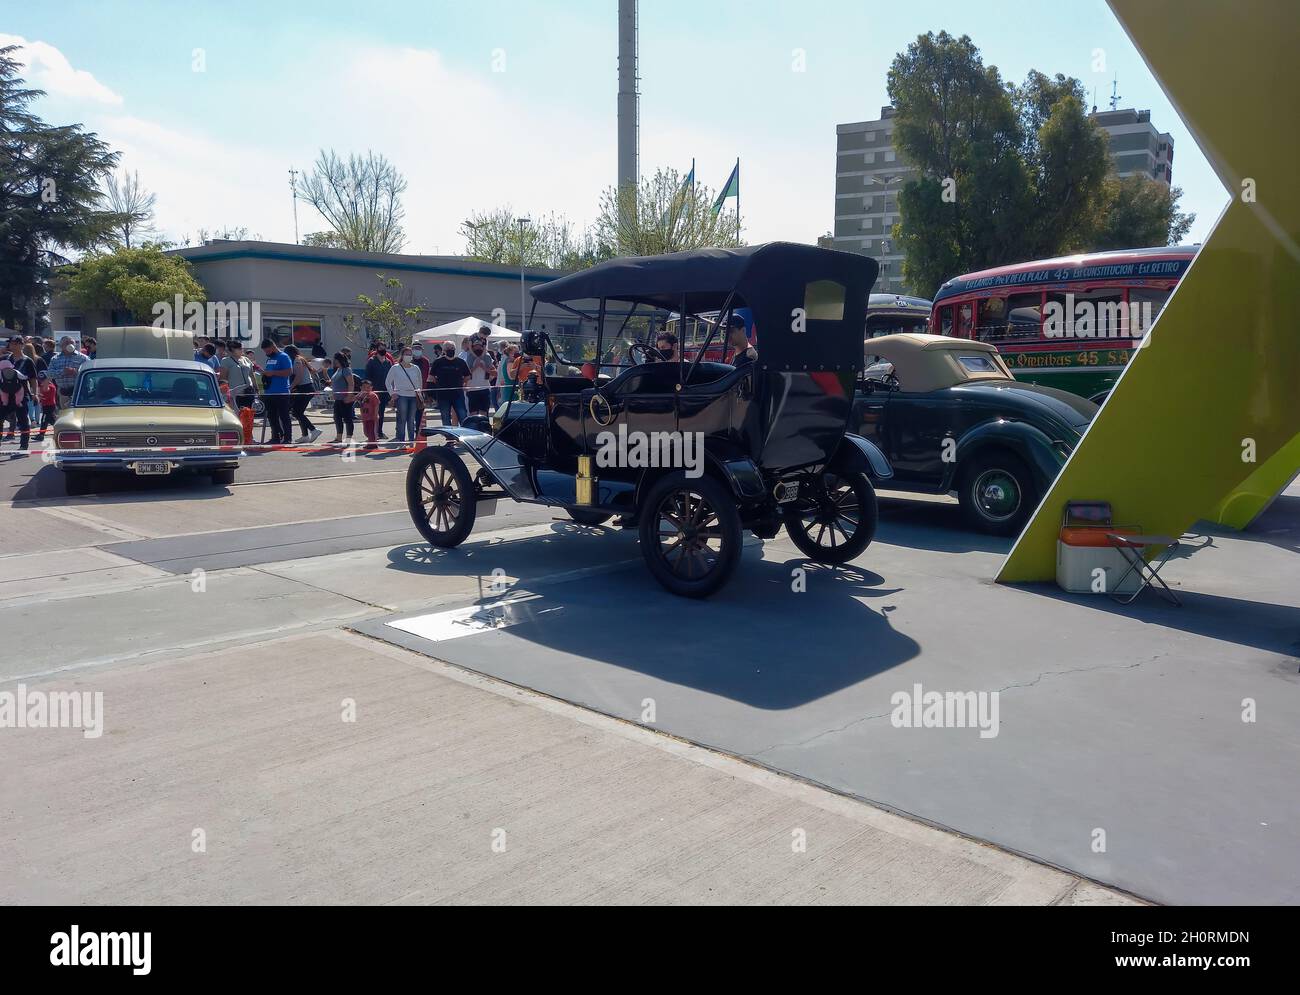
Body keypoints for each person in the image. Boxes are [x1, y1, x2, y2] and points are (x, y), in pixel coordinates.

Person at [258, 338, 294, 444]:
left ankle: (287, 438)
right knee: (272, 416)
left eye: (268, 351)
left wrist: (273, 373)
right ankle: (275, 436)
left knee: (284, 416)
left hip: (281, 391)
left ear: (273, 347)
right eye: (265, 352)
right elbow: (269, 372)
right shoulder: (270, 359)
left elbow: (289, 372)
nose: (267, 353)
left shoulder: (283, 357)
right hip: (269, 392)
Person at [385, 348, 425, 443]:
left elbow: (420, 382)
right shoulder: (395, 368)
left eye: (410, 354)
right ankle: (401, 439)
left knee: (411, 419)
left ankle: (411, 440)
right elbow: (387, 382)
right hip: (401, 395)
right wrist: (392, 393)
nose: (408, 356)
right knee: (402, 418)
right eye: (406, 354)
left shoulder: (416, 368)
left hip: (413, 396)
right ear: (402, 356)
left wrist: (419, 393)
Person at [1, 336, 33, 452]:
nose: (11, 346)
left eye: (14, 343)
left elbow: (33, 379)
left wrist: (35, 394)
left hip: (21, 396)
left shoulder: (27, 361)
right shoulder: (5, 359)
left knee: (23, 421)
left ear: (21, 345)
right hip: (5, 395)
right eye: (10, 344)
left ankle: (24, 446)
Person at [284, 346, 321, 444]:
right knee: (299, 412)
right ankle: (305, 435)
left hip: (305, 388)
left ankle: (313, 430)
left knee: (297, 412)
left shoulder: (297, 360)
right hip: (305, 387)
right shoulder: (300, 359)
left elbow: (298, 377)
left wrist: (290, 388)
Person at [429, 341, 469, 427]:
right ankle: (449, 438)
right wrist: (438, 384)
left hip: (458, 394)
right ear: (444, 350)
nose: (450, 350)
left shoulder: (460, 362)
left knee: (462, 415)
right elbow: (431, 377)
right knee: (445, 416)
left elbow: (468, 376)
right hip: (443, 395)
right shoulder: (438, 362)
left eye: (452, 348)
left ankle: (465, 435)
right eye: (448, 348)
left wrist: (462, 383)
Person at [363, 343, 394, 439]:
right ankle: (372, 433)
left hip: (384, 392)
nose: (383, 350)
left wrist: (391, 392)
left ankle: (379, 432)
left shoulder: (388, 362)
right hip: (373, 392)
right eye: (381, 348)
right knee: (372, 413)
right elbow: (367, 377)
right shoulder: (371, 361)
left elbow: (391, 377)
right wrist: (367, 391)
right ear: (377, 349)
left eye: (384, 348)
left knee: (381, 413)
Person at [46, 337, 87, 405]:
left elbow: (89, 374)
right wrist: (63, 372)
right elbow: (50, 374)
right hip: (63, 393)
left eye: (72, 343)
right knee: (64, 413)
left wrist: (76, 372)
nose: (70, 344)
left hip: (79, 393)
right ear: (61, 346)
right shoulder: (55, 359)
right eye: (67, 343)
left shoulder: (83, 358)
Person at [328, 352, 356, 444]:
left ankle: (348, 439)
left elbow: (351, 383)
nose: (334, 361)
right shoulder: (338, 370)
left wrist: (349, 396)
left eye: (335, 359)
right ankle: (339, 437)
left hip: (345, 399)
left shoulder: (346, 370)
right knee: (337, 418)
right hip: (338, 399)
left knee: (348, 418)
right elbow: (334, 382)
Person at [464, 336, 496, 416]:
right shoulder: (468, 357)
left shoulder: (487, 357)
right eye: (476, 346)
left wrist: (484, 368)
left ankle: (483, 428)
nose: (478, 347)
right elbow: (465, 374)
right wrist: (475, 367)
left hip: (484, 388)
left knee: (484, 413)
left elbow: (495, 373)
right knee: (473, 413)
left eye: (480, 346)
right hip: (472, 390)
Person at [356, 378, 380, 450]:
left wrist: (375, 414)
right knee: (366, 431)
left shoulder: (373, 395)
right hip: (365, 416)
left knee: (371, 431)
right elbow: (357, 401)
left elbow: (376, 405)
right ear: (361, 388)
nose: (366, 389)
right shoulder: (361, 395)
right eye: (364, 387)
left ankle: (372, 444)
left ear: (371, 388)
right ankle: (371, 442)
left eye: (368, 387)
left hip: (372, 417)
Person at [37, 372, 57, 439]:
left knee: (44, 420)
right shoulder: (41, 386)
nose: (41, 382)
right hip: (45, 406)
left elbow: (44, 396)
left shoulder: (51, 387)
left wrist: (39, 395)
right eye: (40, 380)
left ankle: (41, 435)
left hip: (50, 406)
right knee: (52, 421)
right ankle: (61, 430)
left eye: (43, 380)